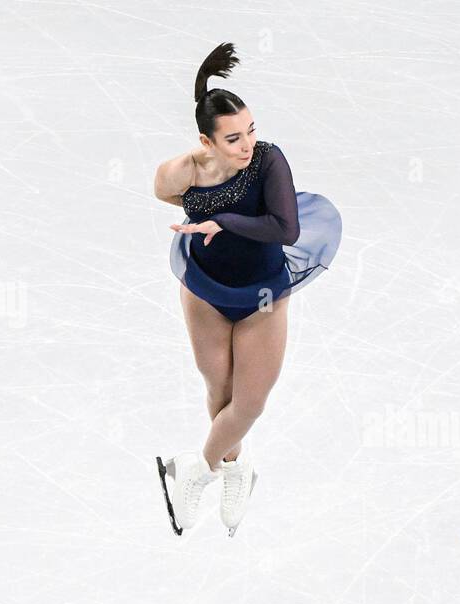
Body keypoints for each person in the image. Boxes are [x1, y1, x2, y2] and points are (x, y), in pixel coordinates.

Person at [152, 42, 342, 537]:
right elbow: (162, 189)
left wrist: (221, 219)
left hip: (262, 297)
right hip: (205, 292)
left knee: (250, 403)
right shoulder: (188, 169)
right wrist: (201, 191)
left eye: (251, 130)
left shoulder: (269, 162)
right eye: (233, 138)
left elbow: (285, 229)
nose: (247, 144)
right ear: (206, 141)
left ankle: (193, 470)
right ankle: (235, 468)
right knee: (220, 391)